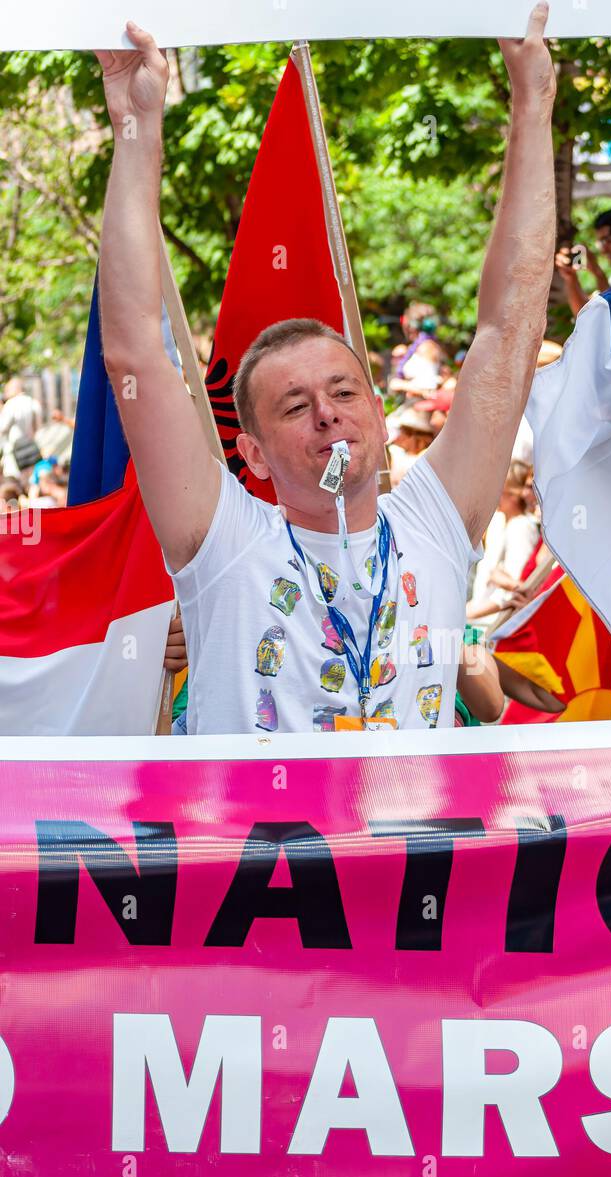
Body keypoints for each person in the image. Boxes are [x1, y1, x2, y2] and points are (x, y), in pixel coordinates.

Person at [96, 9, 556, 735]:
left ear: (376, 414)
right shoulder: (223, 538)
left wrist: (532, 104)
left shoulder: (434, 522)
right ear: (249, 451)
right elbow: (133, 355)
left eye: (344, 392)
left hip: (418, 849)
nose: (328, 413)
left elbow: (511, 328)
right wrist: (134, 124)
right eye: (293, 404)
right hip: (262, 850)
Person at [467, 461, 540, 625]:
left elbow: (515, 588)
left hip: (494, 624)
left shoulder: (522, 527)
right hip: (478, 618)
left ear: (513, 495)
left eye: (499, 489)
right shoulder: (499, 521)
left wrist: (470, 614)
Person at [388, 302, 446, 397]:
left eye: (406, 323)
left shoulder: (427, 347)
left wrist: (401, 384)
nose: (405, 328)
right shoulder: (418, 347)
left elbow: (429, 390)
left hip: (420, 409)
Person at [0, 377, 43, 476]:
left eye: (7, 389)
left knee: (13, 480)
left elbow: (2, 428)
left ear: (16, 388)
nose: (5, 392)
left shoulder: (11, 404)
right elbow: (38, 427)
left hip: (14, 450)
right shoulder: (33, 402)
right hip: (31, 447)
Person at [386, 407, 436, 487]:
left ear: (418, 436)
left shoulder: (429, 457)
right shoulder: (397, 453)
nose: (401, 436)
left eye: (406, 432)